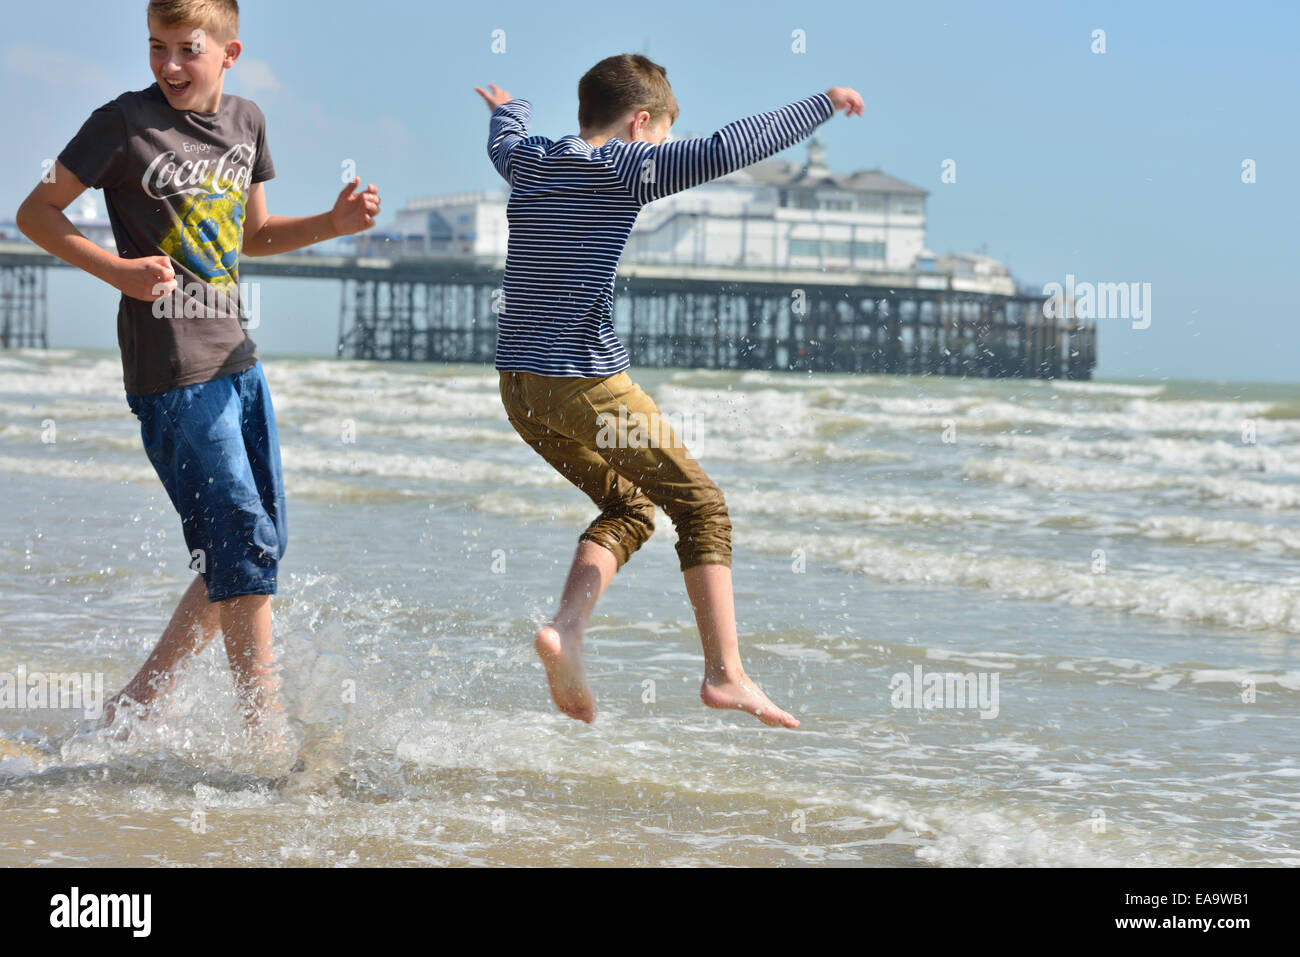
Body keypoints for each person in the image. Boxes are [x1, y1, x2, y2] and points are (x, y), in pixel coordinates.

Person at [15, 0, 380, 746]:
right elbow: (36, 211)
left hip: (239, 359)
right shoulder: (120, 123)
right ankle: (265, 734)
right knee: (242, 539)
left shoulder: (247, 122)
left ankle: (135, 703)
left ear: (229, 50)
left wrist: (332, 226)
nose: (169, 66)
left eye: (186, 49)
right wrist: (117, 270)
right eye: (156, 48)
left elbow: (255, 236)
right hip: (171, 368)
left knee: (252, 543)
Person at [475, 53, 862, 727]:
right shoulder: (628, 164)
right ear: (640, 122)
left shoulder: (529, 160)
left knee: (628, 507)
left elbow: (502, 138)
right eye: (661, 133)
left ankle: (566, 629)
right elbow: (730, 147)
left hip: (520, 389)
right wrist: (822, 102)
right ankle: (725, 673)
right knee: (702, 506)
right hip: (585, 383)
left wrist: (512, 108)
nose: (665, 148)